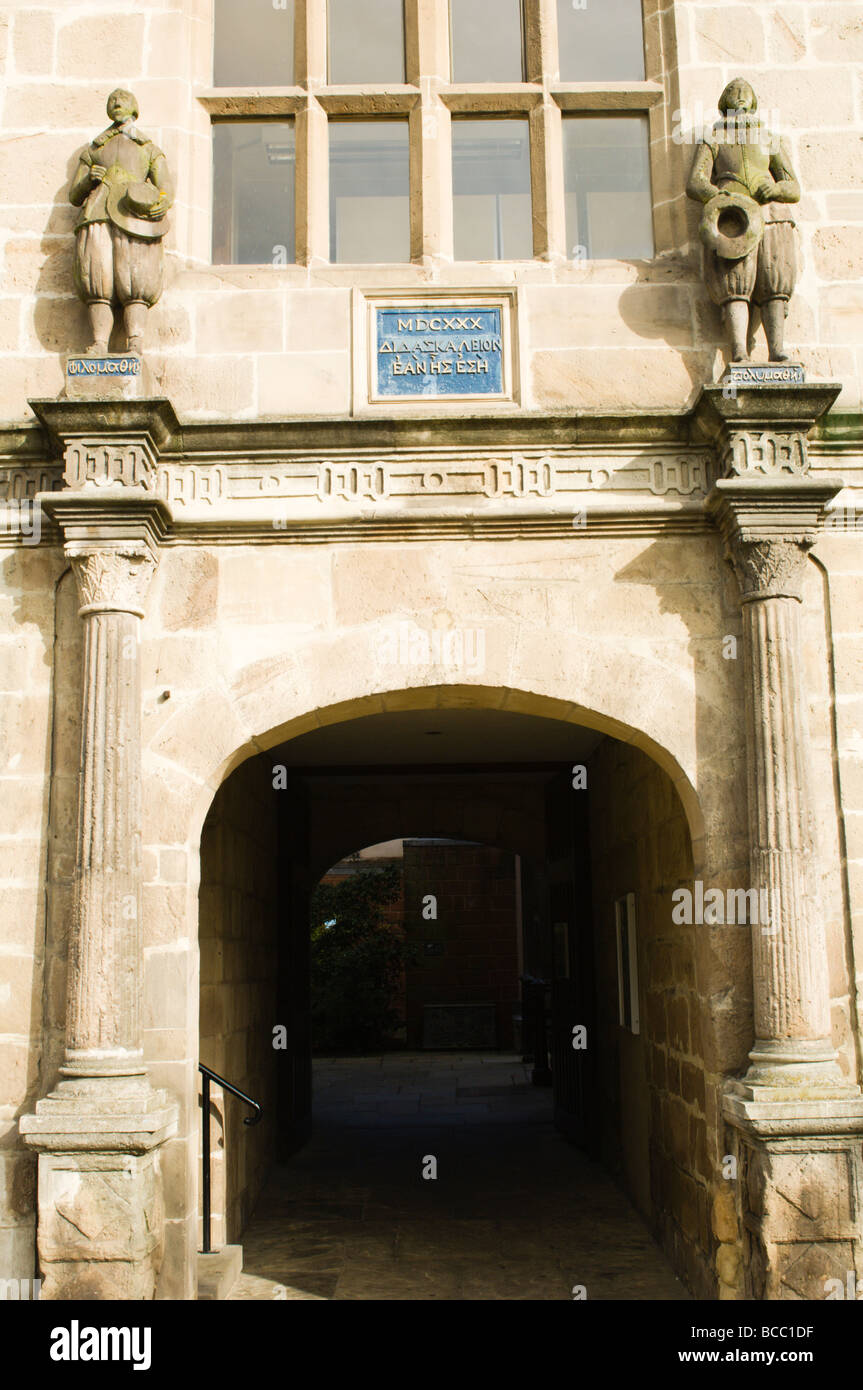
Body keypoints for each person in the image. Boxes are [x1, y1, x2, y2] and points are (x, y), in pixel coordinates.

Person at [687, 78, 800, 363]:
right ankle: (739, 351)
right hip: (733, 218)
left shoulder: (768, 138)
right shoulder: (714, 137)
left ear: (753, 101)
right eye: (733, 92)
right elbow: (696, 182)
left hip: (771, 217)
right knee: (734, 283)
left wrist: (774, 189)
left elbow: (793, 187)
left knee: (775, 281)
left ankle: (776, 350)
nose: (739, 96)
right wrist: (718, 194)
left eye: (744, 92)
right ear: (724, 102)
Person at [69, 88, 174, 355]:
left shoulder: (148, 148)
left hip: (133, 216)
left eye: (123, 100)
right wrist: (88, 179)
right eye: (112, 100)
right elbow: (74, 194)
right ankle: (99, 342)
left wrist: (162, 200)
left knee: (135, 279)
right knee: (97, 279)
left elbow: (165, 185)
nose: (117, 103)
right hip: (97, 213)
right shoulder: (95, 148)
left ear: (134, 108)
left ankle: (135, 340)